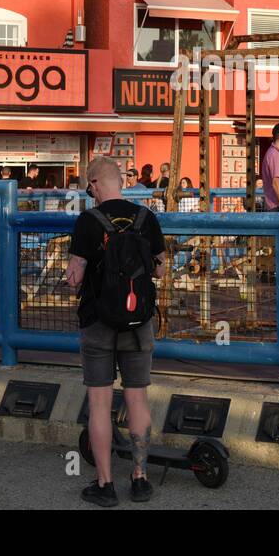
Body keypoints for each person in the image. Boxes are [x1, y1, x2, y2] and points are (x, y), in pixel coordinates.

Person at [64, 155, 167, 507]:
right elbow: (160, 271)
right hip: (138, 322)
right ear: (120, 181)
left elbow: (74, 275)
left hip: (98, 323)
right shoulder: (145, 218)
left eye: (88, 185)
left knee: (99, 402)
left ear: (94, 183)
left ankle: (105, 484)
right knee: (136, 398)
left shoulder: (88, 221)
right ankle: (139, 479)